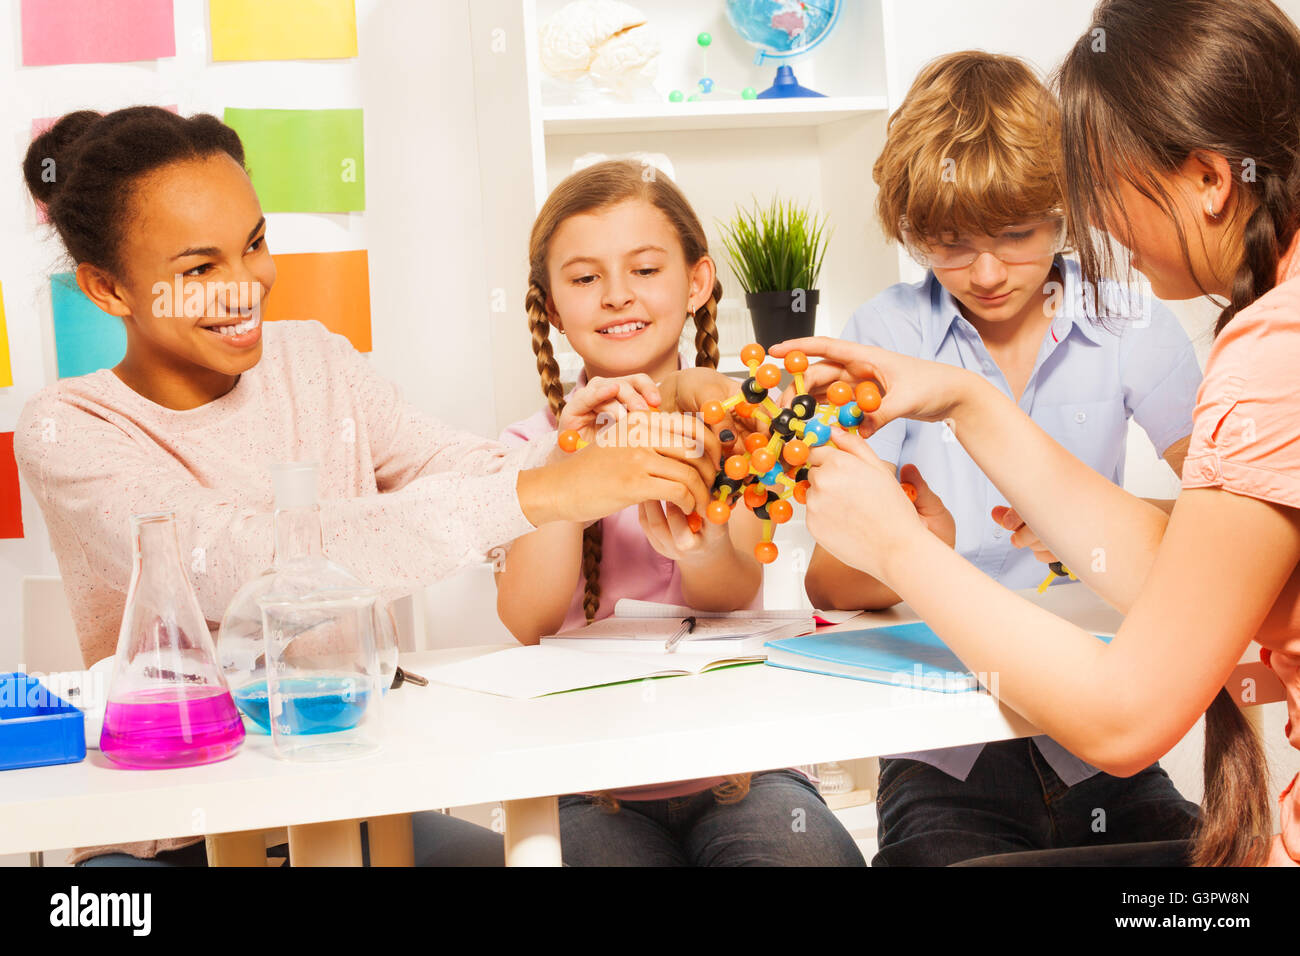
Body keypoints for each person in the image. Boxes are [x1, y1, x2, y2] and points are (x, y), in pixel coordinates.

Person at [16, 108, 714, 866]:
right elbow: (249, 564)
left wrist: (573, 448)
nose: (245, 286)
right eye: (199, 270)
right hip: (179, 832)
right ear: (108, 288)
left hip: (353, 804)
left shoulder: (311, 359)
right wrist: (549, 489)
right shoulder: (70, 428)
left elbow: (454, 465)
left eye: (254, 245)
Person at [778, 0, 1300, 866]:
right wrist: (967, 401)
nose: (1104, 233)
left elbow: (1125, 715)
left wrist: (903, 548)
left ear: (1210, 178)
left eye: (1102, 192)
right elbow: (1220, 563)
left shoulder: (1269, 351)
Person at [495, 158, 864, 866]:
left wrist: (699, 535)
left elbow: (729, 595)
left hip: (744, 769)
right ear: (550, 307)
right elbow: (527, 619)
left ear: (696, 283)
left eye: (644, 270)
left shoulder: (738, 422)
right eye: (583, 278)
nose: (615, 296)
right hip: (582, 780)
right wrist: (571, 463)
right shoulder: (526, 448)